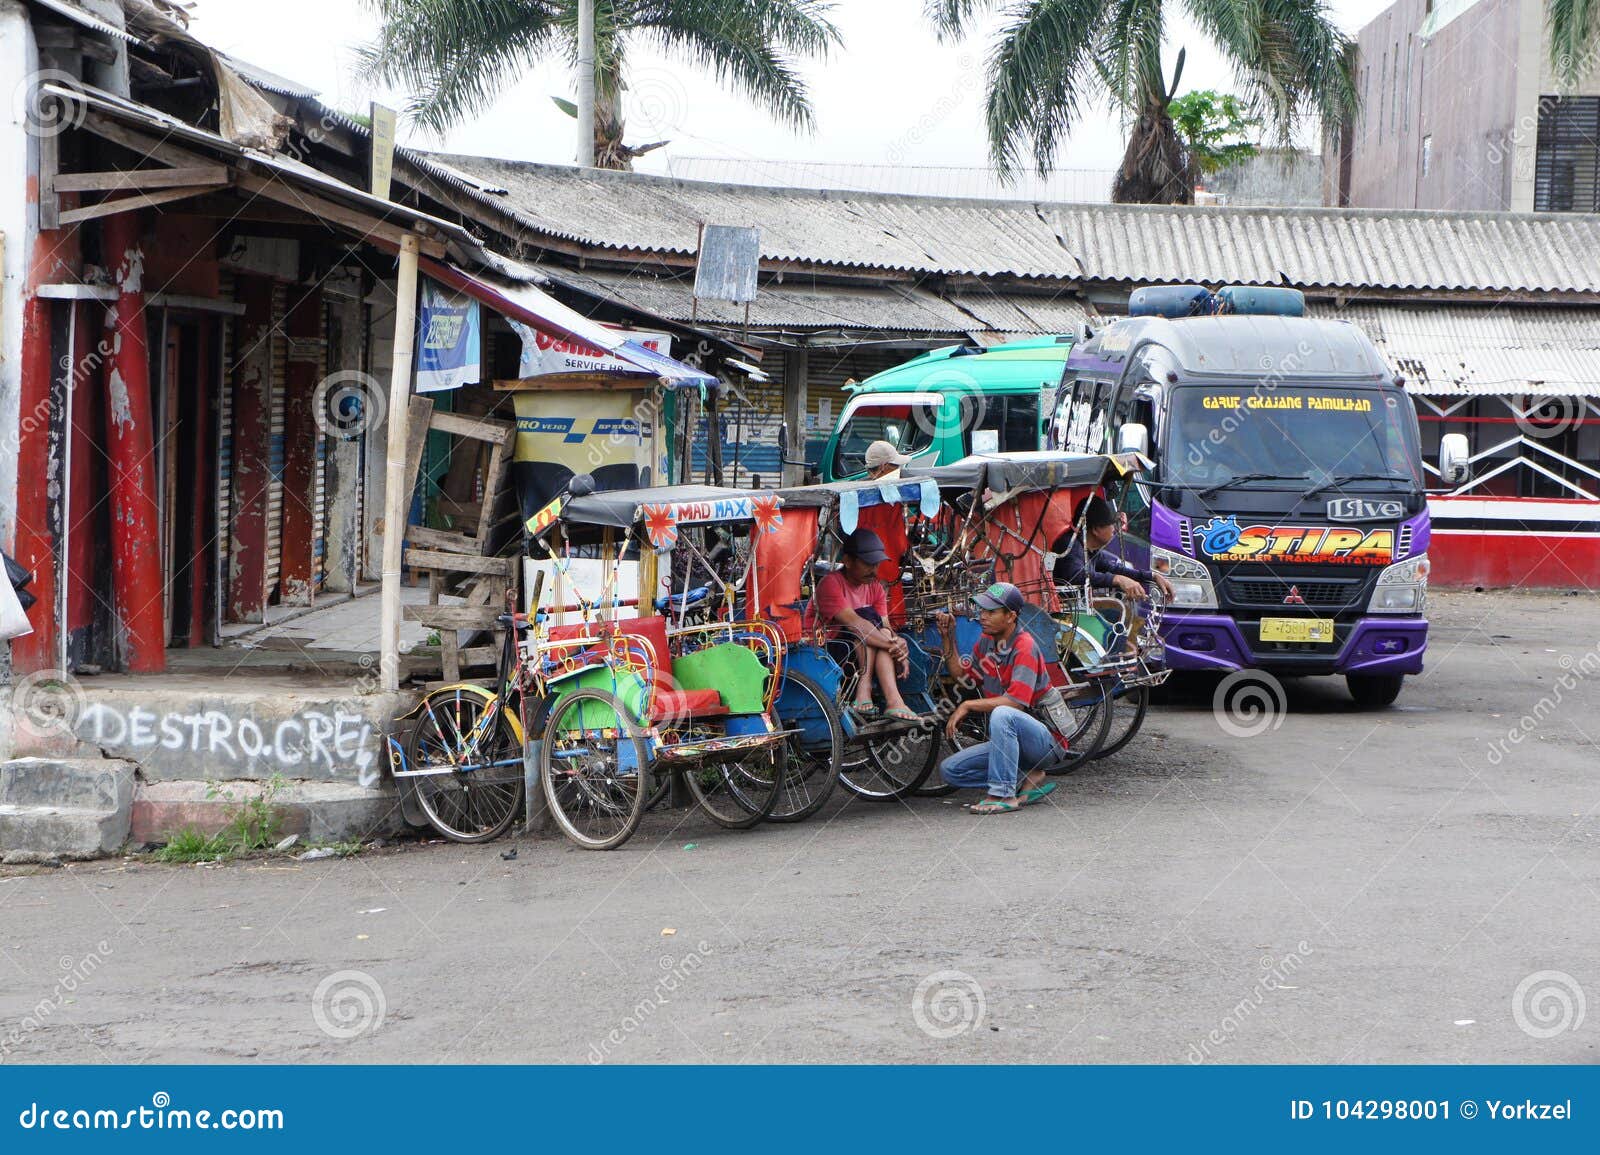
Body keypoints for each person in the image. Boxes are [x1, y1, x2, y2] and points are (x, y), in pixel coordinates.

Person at [932, 582, 1061, 815]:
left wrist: (967, 704)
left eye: (991, 612)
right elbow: (963, 677)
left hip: (1046, 742)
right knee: (950, 770)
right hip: (1012, 741)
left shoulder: (1025, 646)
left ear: (1011, 616)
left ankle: (1003, 794)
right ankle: (1025, 776)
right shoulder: (987, 642)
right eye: (982, 611)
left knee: (1004, 713)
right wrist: (948, 638)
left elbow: (1014, 703)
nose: (983, 616)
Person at [805, 529, 916, 722]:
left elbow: (886, 627)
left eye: (876, 564)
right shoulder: (831, 584)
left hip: (860, 649)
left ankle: (893, 700)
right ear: (848, 561)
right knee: (866, 620)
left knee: (880, 630)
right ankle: (866, 691)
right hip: (826, 653)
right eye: (867, 564)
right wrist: (894, 647)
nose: (874, 570)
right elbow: (854, 623)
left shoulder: (875, 587)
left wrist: (898, 642)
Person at [1053, 495, 1175, 600]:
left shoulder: (1091, 550)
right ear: (1096, 529)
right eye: (1111, 524)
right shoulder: (1070, 545)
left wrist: (1152, 576)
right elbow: (1076, 576)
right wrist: (1118, 579)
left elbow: (1115, 570)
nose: (1114, 529)